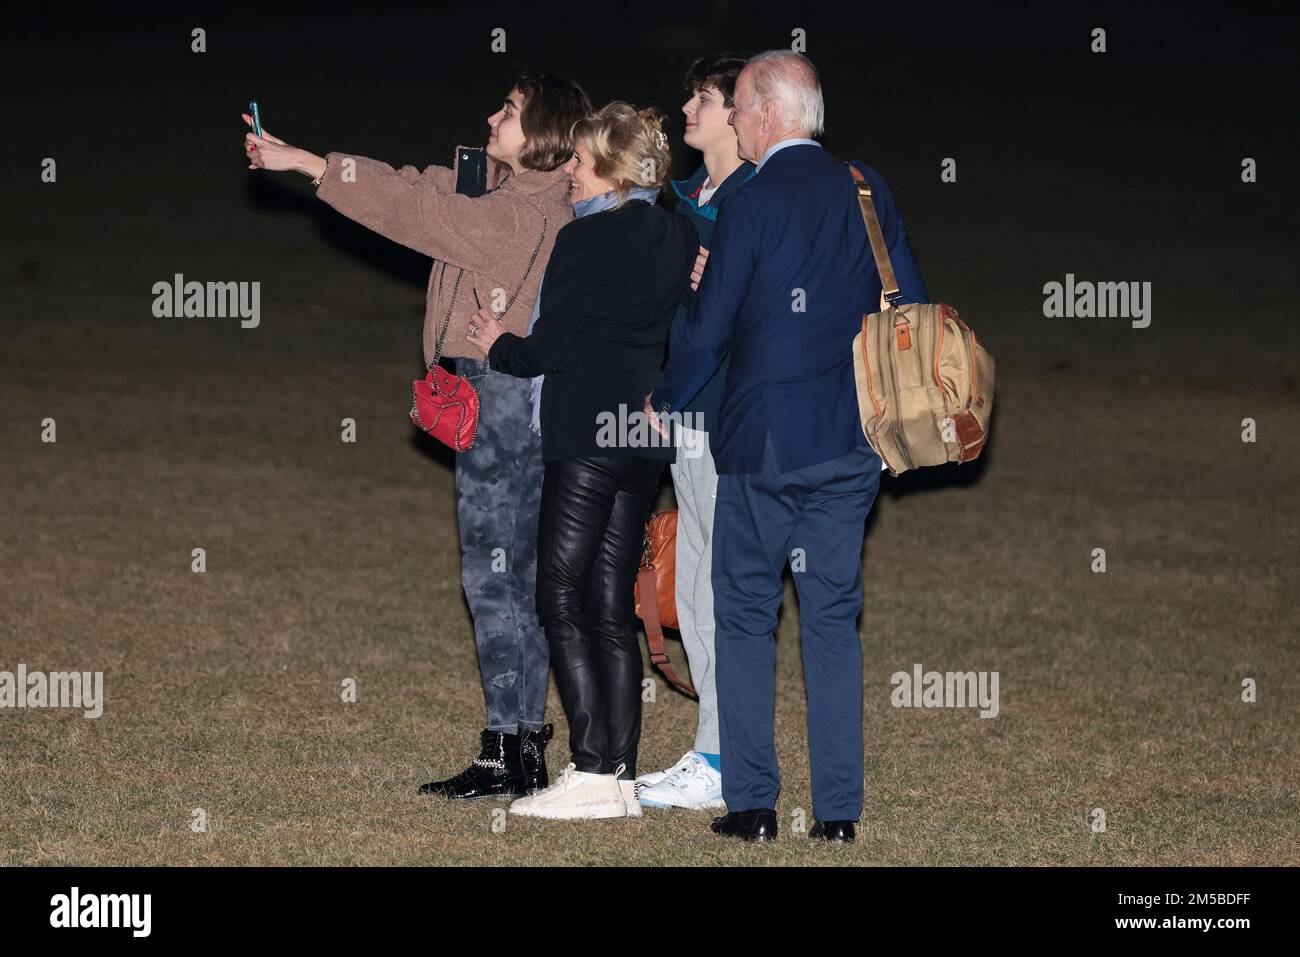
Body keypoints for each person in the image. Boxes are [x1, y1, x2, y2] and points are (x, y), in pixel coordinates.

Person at [242, 73, 591, 801]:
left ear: (546, 138)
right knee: (515, 576)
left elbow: (410, 211)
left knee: (493, 577)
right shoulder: (526, 196)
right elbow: (420, 184)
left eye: (511, 112)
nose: (493, 115)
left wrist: (310, 164)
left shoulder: (513, 220)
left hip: (502, 404)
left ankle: (508, 750)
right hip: (516, 400)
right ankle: (522, 740)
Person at [645, 51, 928, 842]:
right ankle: (837, 816)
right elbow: (912, 302)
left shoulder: (755, 201)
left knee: (742, 616)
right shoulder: (865, 187)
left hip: (762, 444)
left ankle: (755, 806)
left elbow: (707, 331)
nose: (733, 118)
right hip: (850, 442)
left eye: (737, 106)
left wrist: (665, 395)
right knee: (833, 619)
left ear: (770, 113)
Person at [466, 102, 698, 820]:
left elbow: (548, 350)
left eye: (577, 159)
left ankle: (595, 767)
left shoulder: (584, 241)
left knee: (558, 597)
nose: (567, 169)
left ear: (609, 168)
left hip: (588, 438)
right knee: (608, 606)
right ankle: (618, 776)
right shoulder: (675, 231)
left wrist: (496, 340)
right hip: (642, 435)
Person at [635, 53, 755, 812]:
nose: (688, 107)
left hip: (719, 414)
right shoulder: (692, 197)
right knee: (703, 583)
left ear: (742, 114)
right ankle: (717, 751)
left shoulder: (751, 198)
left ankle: (721, 758)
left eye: (705, 98)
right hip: (684, 411)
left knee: (718, 589)